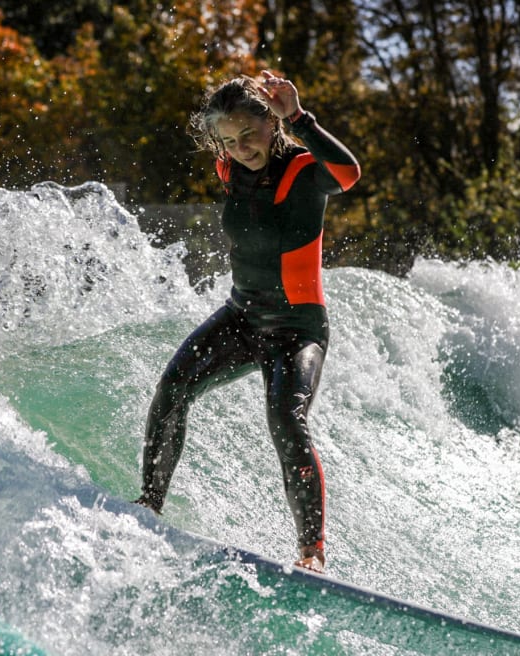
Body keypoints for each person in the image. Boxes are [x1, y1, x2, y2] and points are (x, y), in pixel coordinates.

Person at [134, 71, 361, 573]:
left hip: (297, 327)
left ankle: (311, 553)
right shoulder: (228, 169)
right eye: (230, 141)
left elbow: (348, 174)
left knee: (286, 419)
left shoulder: (304, 168)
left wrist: (300, 119)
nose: (242, 148)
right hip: (242, 316)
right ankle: (148, 505)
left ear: (270, 123)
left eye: (250, 135)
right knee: (171, 391)